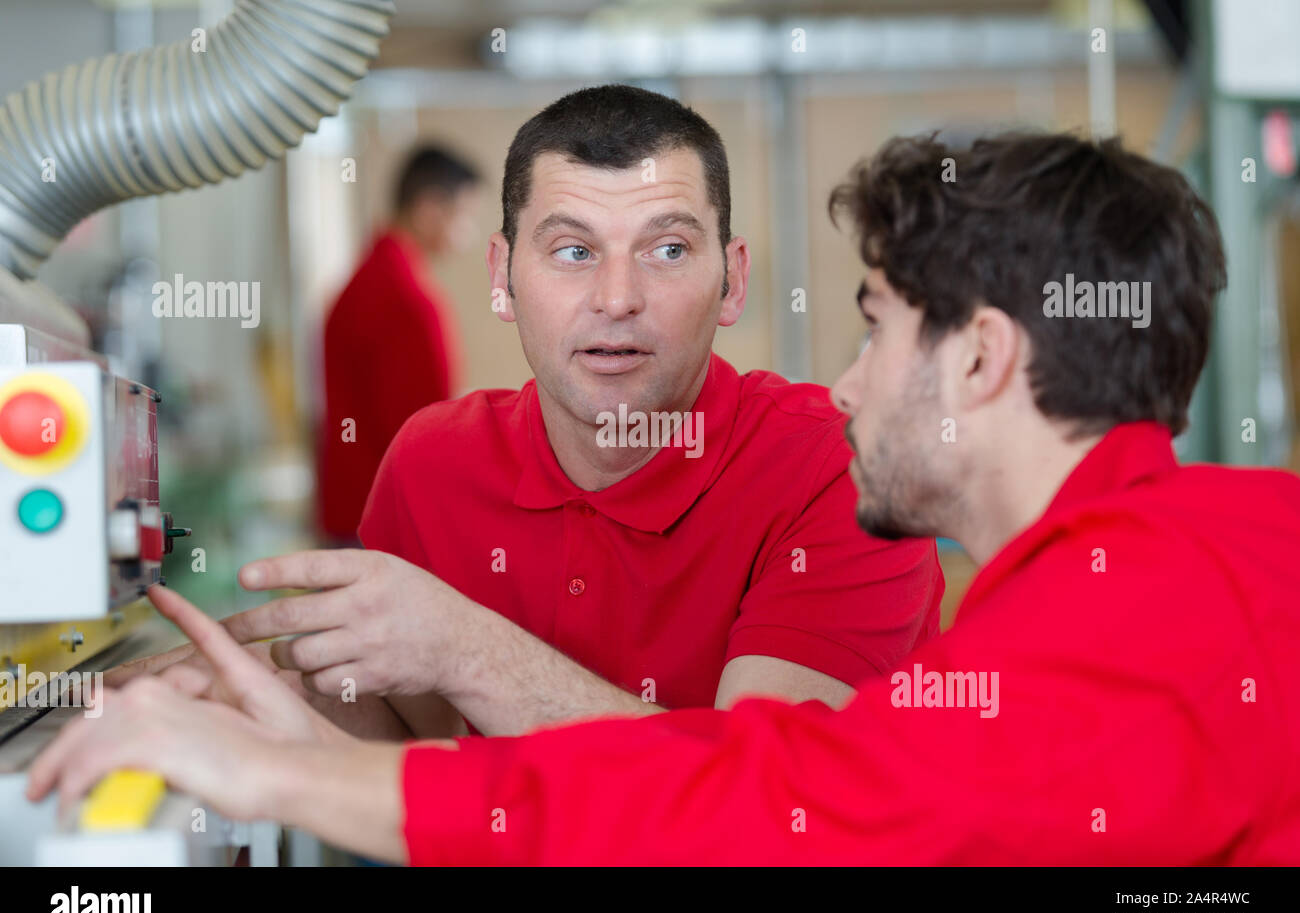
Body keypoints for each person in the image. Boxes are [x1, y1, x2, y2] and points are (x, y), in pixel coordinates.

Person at [109, 85, 943, 741]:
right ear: (502, 279)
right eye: (573, 251)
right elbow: (413, 738)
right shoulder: (432, 463)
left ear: (734, 280)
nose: (618, 298)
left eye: (667, 250)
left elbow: (764, 807)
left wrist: (466, 647)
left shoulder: (840, 468)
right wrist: (217, 690)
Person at [316, 145, 481, 545]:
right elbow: (422, 427)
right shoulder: (403, 298)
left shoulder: (371, 279)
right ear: (428, 208)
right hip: (382, 521)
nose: (470, 231)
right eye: (464, 214)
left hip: (355, 509)